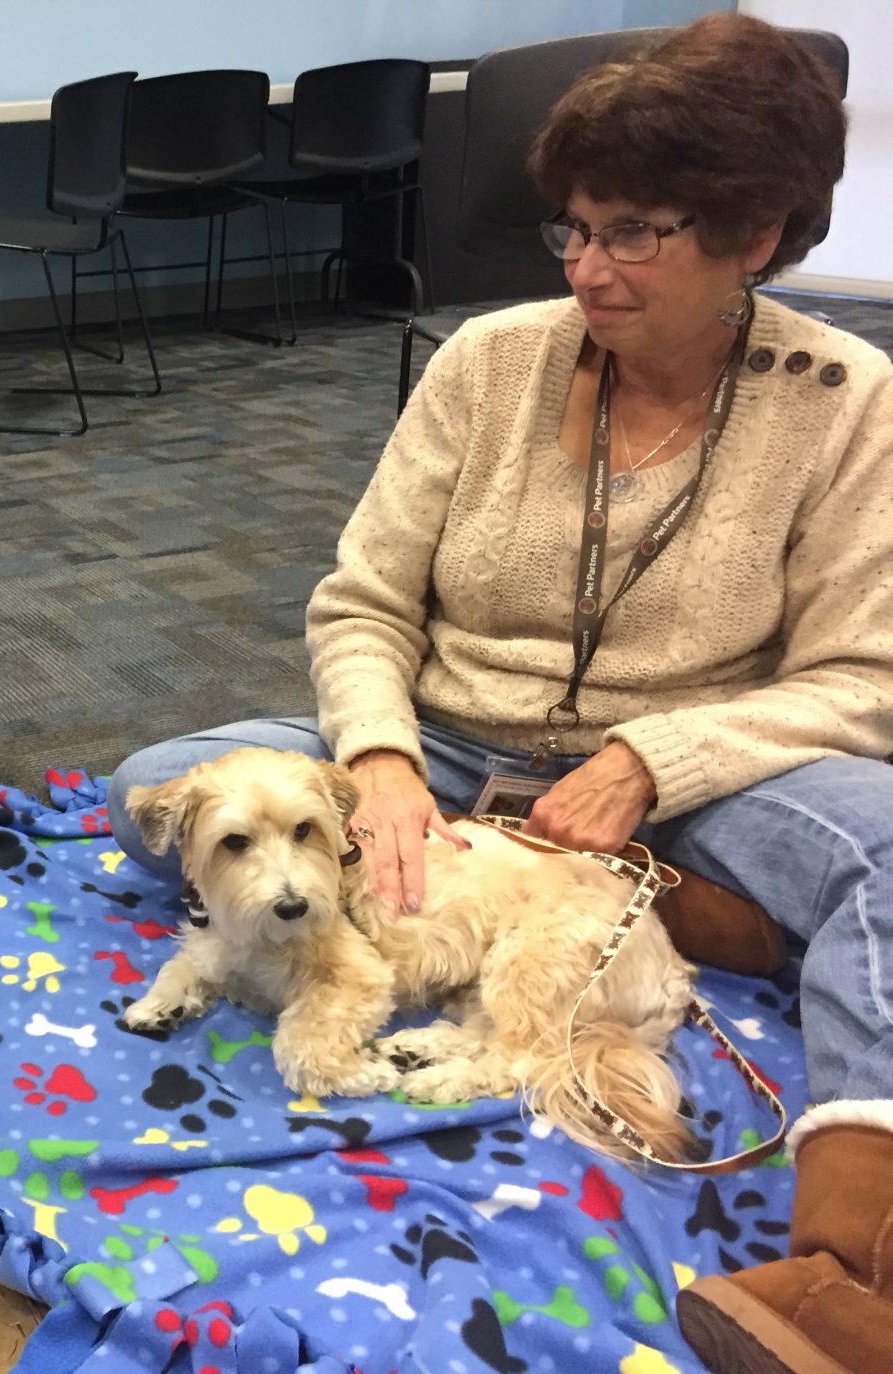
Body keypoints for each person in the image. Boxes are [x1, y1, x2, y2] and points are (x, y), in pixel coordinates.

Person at [106, 16, 892, 1374]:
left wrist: (656, 757)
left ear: (755, 232)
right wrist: (383, 759)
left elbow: (863, 676)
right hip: (455, 744)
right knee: (173, 774)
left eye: (635, 232)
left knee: (885, 844)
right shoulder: (490, 362)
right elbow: (365, 600)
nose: (589, 267)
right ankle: (695, 919)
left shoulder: (845, 399)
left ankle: (844, 1266)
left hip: (688, 778)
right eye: (571, 230)